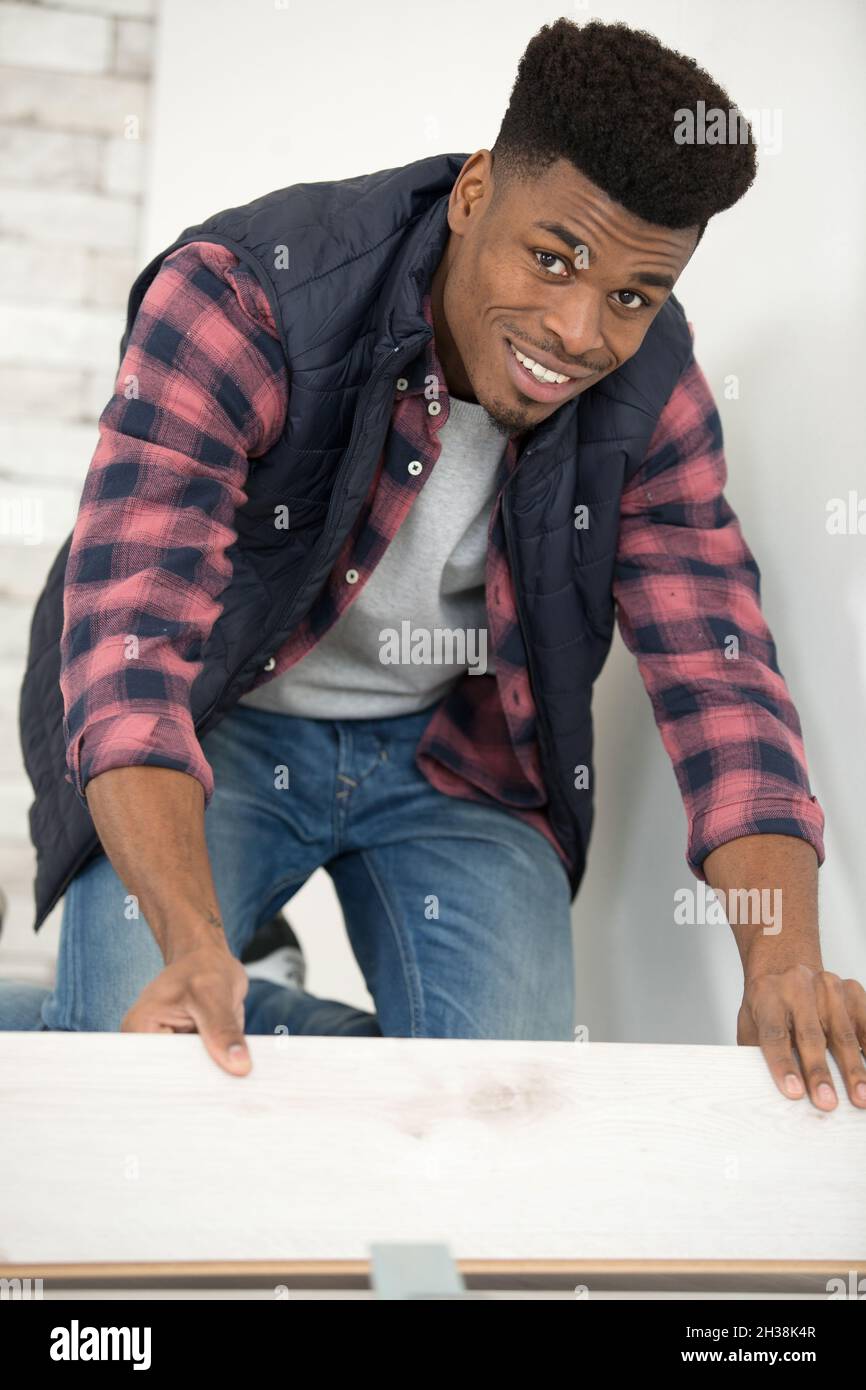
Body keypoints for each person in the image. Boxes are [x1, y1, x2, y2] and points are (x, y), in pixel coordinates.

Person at [6, 19, 864, 1111]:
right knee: (136, 1076)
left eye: (629, 296)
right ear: (471, 193)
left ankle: (124, 1014)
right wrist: (185, 937)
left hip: (455, 757)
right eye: (552, 258)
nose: (574, 329)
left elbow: (719, 673)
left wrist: (783, 960)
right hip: (214, 718)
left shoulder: (652, 391)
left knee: (504, 1123)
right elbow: (127, 657)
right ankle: (121, 1006)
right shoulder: (244, 298)